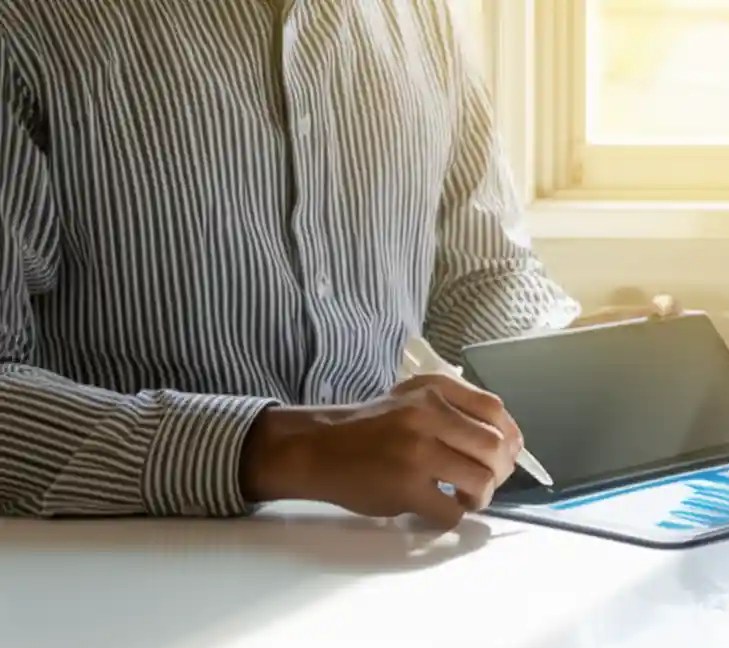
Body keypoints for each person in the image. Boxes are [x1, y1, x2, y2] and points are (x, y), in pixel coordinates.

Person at [0, 1, 674, 526]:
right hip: (113, 589)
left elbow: (482, 274)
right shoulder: (24, 27)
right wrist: (287, 449)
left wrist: (556, 367)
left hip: (399, 561)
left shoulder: (425, 16)